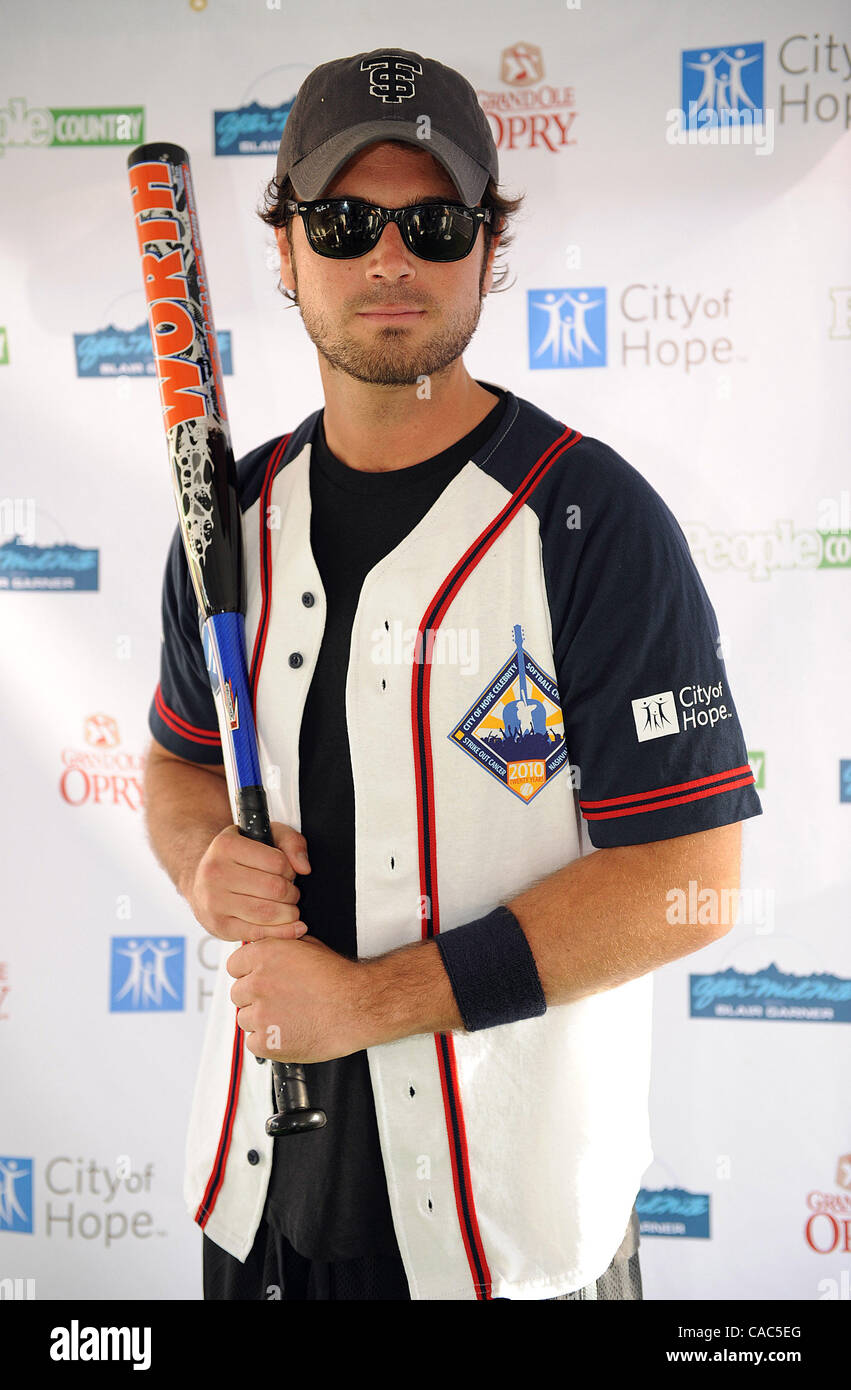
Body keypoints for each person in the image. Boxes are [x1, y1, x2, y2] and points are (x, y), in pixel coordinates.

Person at [143, 47, 763, 1302]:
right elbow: (174, 765)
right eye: (343, 220)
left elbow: (690, 884)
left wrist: (367, 1003)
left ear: (487, 245)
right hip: (258, 1206)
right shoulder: (231, 515)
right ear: (282, 250)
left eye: (431, 222)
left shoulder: (590, 520)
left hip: (510, 1238)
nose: (388, 258)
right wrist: (203, 858)